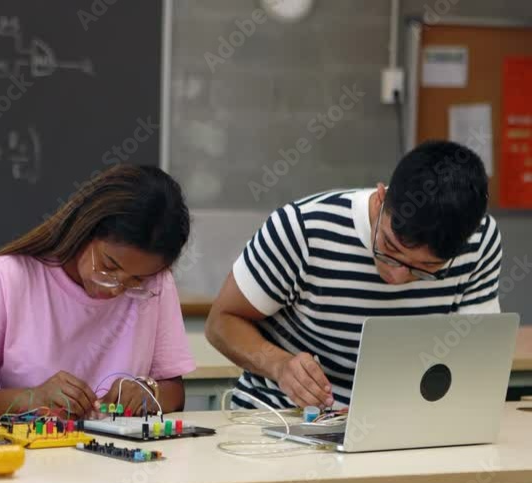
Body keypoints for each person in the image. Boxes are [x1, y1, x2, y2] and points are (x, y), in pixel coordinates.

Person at [207, 140, 501, 410]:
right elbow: (221, 321)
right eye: (389, 247)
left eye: (424, 270)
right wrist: (279, 366)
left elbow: (475, 357)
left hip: (404, 424)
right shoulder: (304, 229)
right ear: (381, 198)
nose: (397, 277)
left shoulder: (480, 243)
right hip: (284, 421)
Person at [0, 164, 196, 420]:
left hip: (119, 455)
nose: (117, 287)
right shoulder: (9, 276)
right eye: (109, 266)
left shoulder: (157, 283)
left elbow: (174, 391)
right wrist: (32, 398)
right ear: (86, 229)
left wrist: (148, 392)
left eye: (136, 280)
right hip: (28, 455)